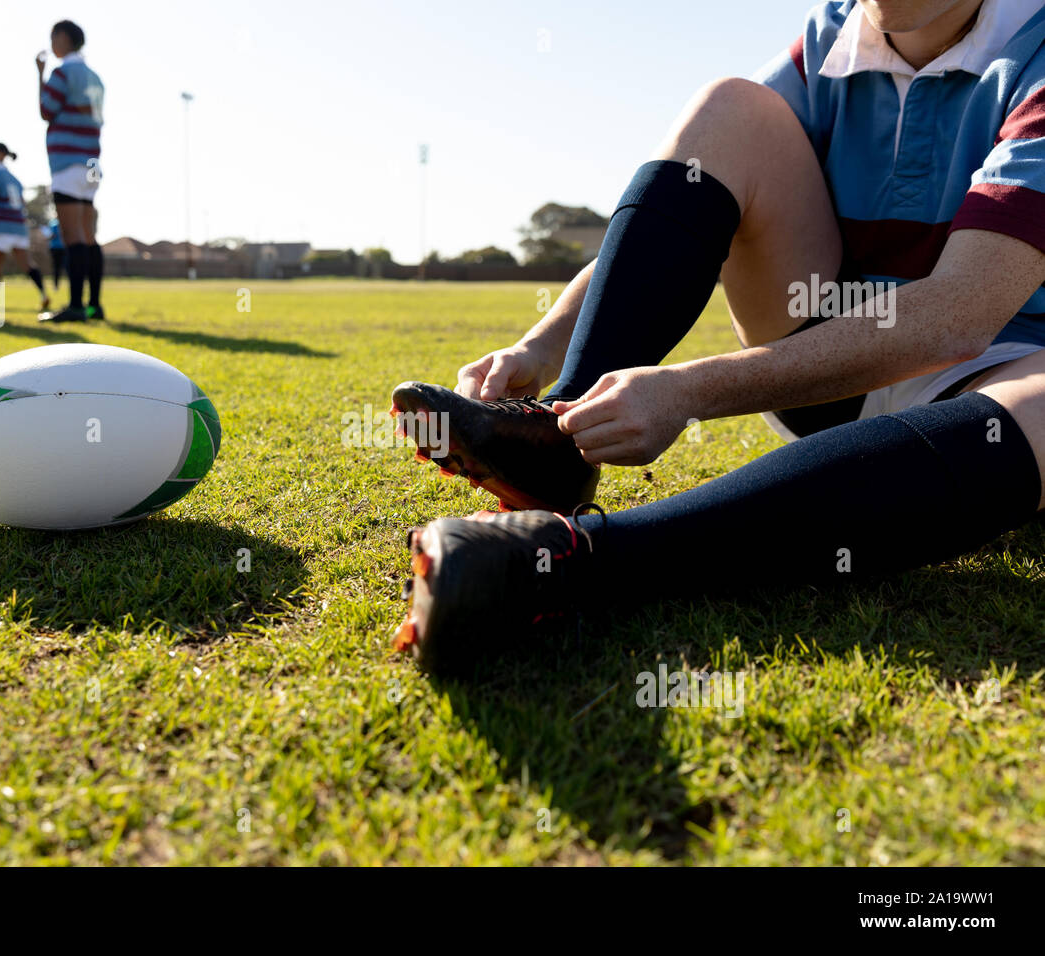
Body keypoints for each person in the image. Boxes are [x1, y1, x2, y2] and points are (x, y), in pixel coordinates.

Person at [390, 0, 1045, 677]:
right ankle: (560, 432)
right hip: (825, 371)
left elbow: (959, 316)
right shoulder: (833, 30)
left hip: (992, 381)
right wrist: (545, 343)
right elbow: (702, 190)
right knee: (732, 107)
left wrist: (690, 391)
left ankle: (565, 560)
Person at [37, 19, 105, 322]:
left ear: (63, 39)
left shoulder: (63, 72)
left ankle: (76, 306)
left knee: (72, 233)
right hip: (92, 161)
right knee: (88, 233)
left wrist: (39, 75)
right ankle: (94, 305)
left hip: (69, 160)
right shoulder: (95, 77)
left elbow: (46, 110)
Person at [0, 143, 51, 312]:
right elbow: (21, 204)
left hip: (2, 224)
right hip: (18, 225)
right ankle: (44, 294)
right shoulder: (14, 179)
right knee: (26, 264)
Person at [43, 219, 66, 290]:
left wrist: (48, 238)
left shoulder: (53, 224)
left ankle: (56, 286)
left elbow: (51, 235)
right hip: (61, 247)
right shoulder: (56, 223)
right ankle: (56, 285)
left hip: (58, 248)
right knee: (59, 267)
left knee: (57, 268)